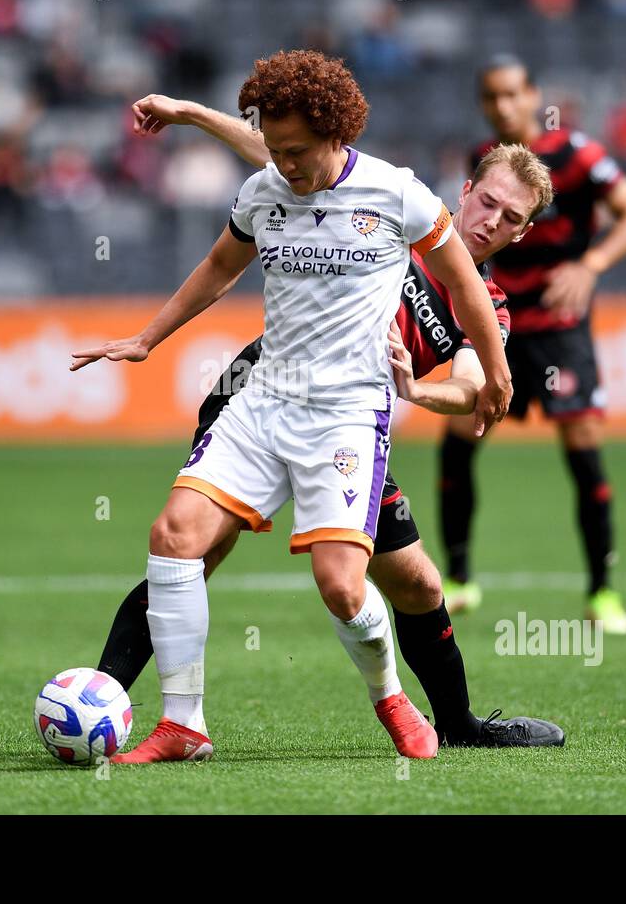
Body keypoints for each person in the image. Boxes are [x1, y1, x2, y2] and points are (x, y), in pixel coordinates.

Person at [72, 50, 512, 763]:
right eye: (274, 150)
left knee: (343, 588)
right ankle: (183, 724)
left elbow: (464, 286)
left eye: (297, 151)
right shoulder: (267, 189)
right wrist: (147, 339)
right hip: (264, 398)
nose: (285, 164)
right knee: (175, 537)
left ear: (338, 133)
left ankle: (392, 697)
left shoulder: (396, 194)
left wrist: (494, 374)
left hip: (345, 416)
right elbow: (219, 267)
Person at [439, 55, 626, 632]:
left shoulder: (578, 154)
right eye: (492, 97)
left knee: (583, 446)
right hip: (496, 323)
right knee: (461, 431)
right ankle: (459, 579)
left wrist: (591, 265)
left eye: (513, 93)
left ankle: (603, 593)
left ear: (534, 94)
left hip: (560, 328)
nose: (504, 106)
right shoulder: (485, 160)